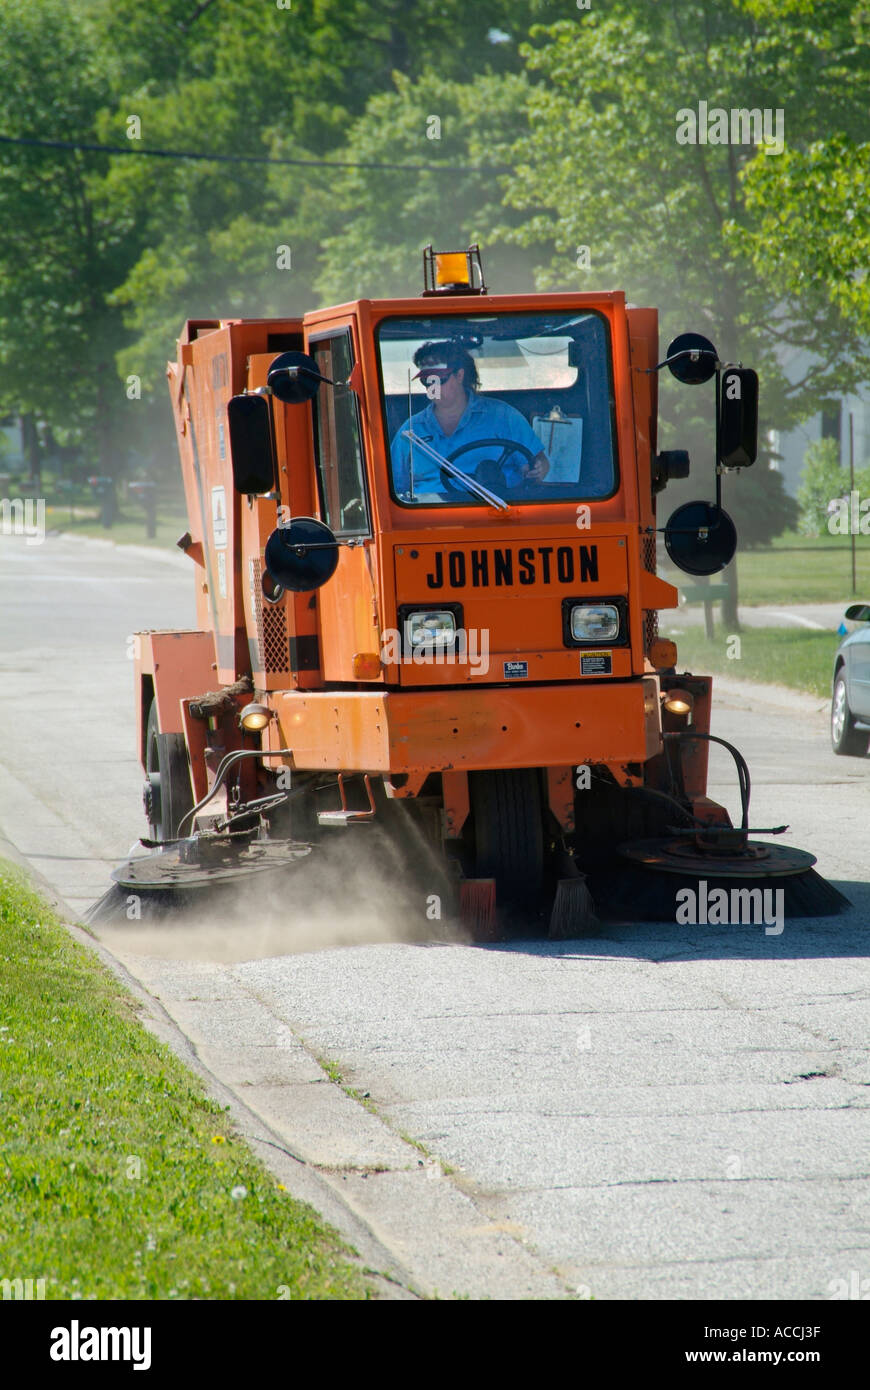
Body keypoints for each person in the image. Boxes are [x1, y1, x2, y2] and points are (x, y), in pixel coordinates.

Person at [390, 340, 550, 499]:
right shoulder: (411, 430)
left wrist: (538, 469)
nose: (432, 387)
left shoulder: (502, 415)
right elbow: (392, 487)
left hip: (496, 511)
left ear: (459, 375)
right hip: (427, 516)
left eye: (439, 380)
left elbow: (536, 462)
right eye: (426, 380)